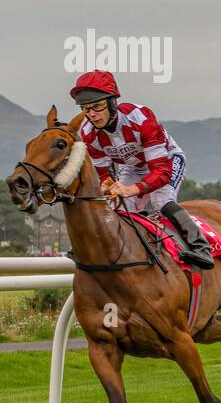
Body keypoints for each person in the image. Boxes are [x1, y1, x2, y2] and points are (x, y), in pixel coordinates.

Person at [71, 70, 213, 269]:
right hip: (134, 167)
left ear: (113, 103)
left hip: (167, 161)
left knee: (160, 201)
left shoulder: (140, 118)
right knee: (115, 209)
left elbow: (161, 173)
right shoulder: (88, 134)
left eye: (97, 106)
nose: (91, 114)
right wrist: (107, 187)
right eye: (85, 109)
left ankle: (201, 247)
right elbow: (105, 176)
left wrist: (131, 190)